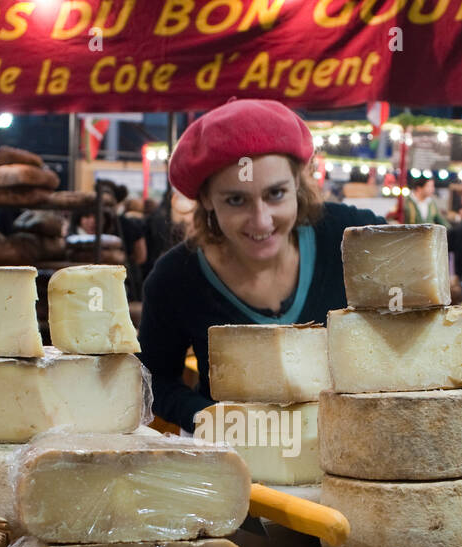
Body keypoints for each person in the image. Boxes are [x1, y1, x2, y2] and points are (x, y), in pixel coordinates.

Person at [139, 99, 382, 432]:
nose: (261, 220)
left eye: (276, 194)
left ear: (298, 182)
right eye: (236, 200)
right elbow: (155, 380)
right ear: (207, 199)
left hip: (348, 447)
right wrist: (212, 418)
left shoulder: (350, 237)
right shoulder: (175, 279)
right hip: (236, 461)